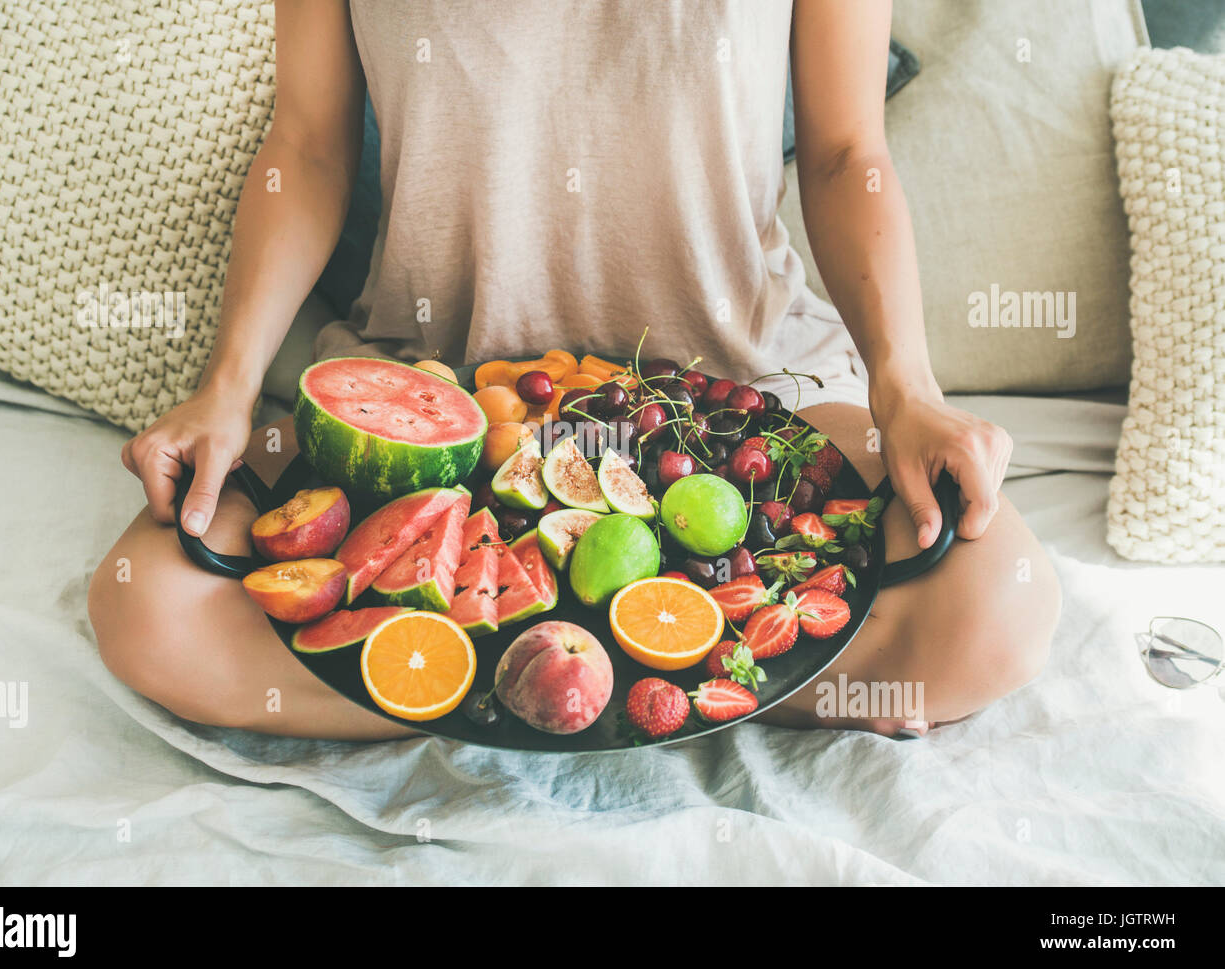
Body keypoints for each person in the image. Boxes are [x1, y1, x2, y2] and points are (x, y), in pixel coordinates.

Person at [89, 0, 1060, 740]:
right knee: (148, 609)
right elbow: (305, 148)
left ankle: (469, 688)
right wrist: (227, 383)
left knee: (999, 607)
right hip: (434, 398)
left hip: (741, 394)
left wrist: (907, 387)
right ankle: (663, 693)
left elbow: (848, 153)